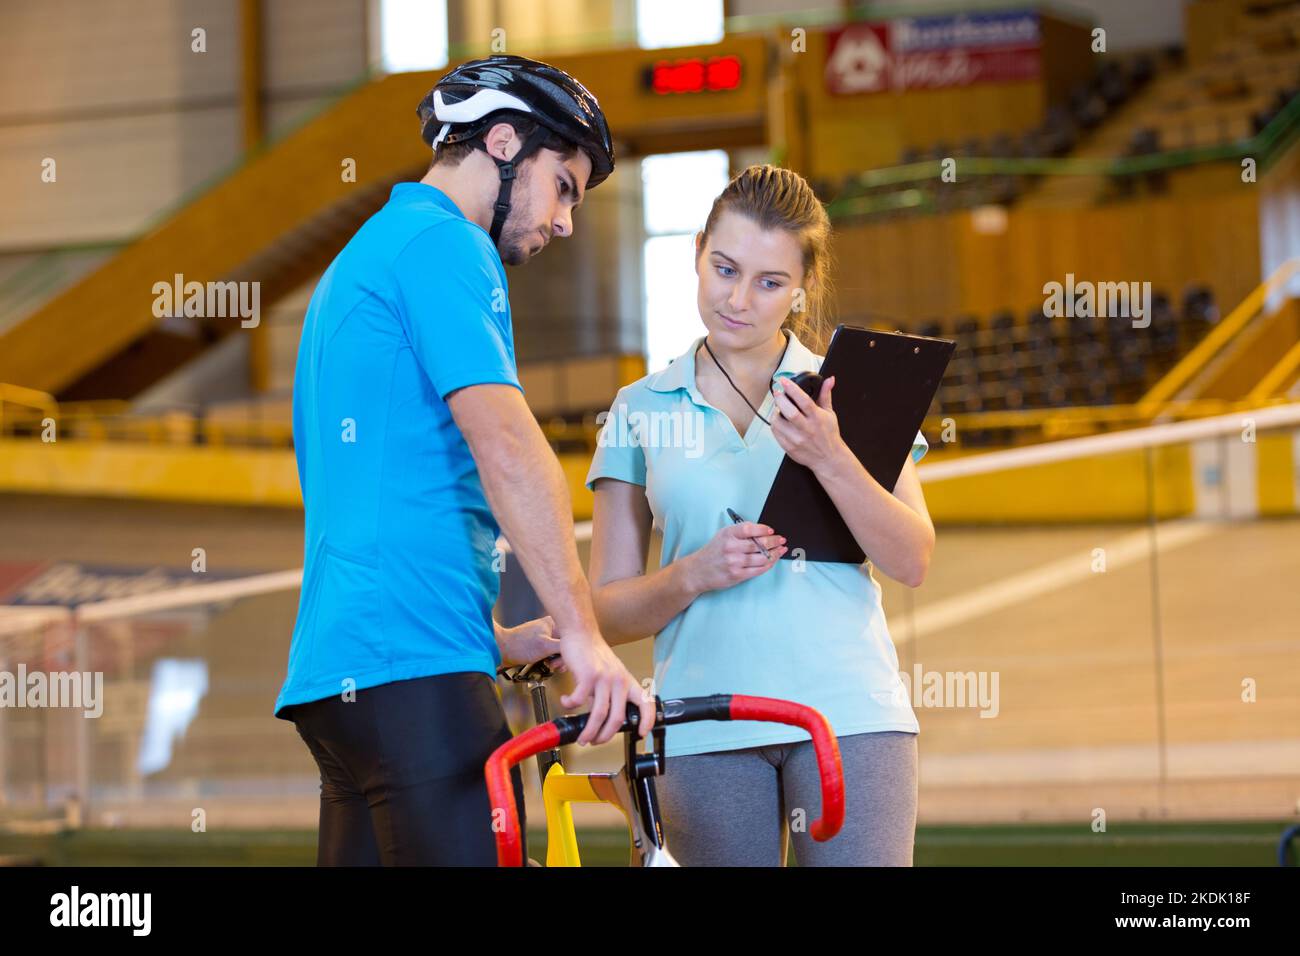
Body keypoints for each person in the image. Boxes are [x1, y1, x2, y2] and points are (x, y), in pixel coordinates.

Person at [273, 55, 654, 867]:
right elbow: (508, 446)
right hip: (413, 673)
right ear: (504, 143)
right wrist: (584, 636)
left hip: (344, 682)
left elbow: (379, 483)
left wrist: (492, 637)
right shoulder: (446, 246)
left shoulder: (363, 259)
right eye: (565, 187)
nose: (564, 222)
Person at [585, 164, 934, 866]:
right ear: (696, 255)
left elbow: (912, 560)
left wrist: (831, 456)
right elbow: (609, 615)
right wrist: (692, 574)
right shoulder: (638, 409)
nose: (738, 299)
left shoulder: (849, 391)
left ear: (802, 287)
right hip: (703, 721)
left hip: (851, 714)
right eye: (724, 269)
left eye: (769, 282)